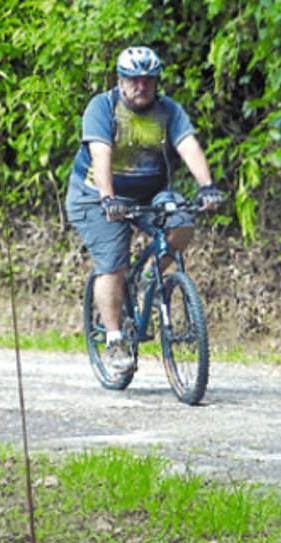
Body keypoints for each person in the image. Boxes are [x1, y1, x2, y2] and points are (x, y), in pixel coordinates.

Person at [66, 46, 222, 375]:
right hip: (95, 196)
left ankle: (152, 274)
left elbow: (188, 145)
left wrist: (207, 186)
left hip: (151, 192)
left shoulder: (168, 111)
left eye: (149, 80)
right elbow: (101, 154)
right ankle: (115, 340)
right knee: (112, 263)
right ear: (120, 81)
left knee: (182, 224)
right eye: (134, 80)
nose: (141, 86)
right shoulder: (103, 107)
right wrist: (109, 199)